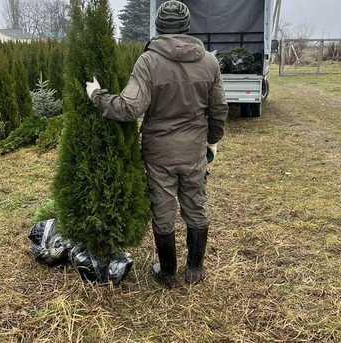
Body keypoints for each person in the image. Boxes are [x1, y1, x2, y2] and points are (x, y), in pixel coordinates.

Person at [85, 0, 228, 288]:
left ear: (159, 27)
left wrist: (96, 95)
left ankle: (167, 273)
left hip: (159, 153)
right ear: (188, 27)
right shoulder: (209, 62)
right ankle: (195, 270)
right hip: (193, 150)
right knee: (196, 206)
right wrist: (212, 141)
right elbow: (219, 108)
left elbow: (129, 108)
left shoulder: (149, 61)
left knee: (163, 211)